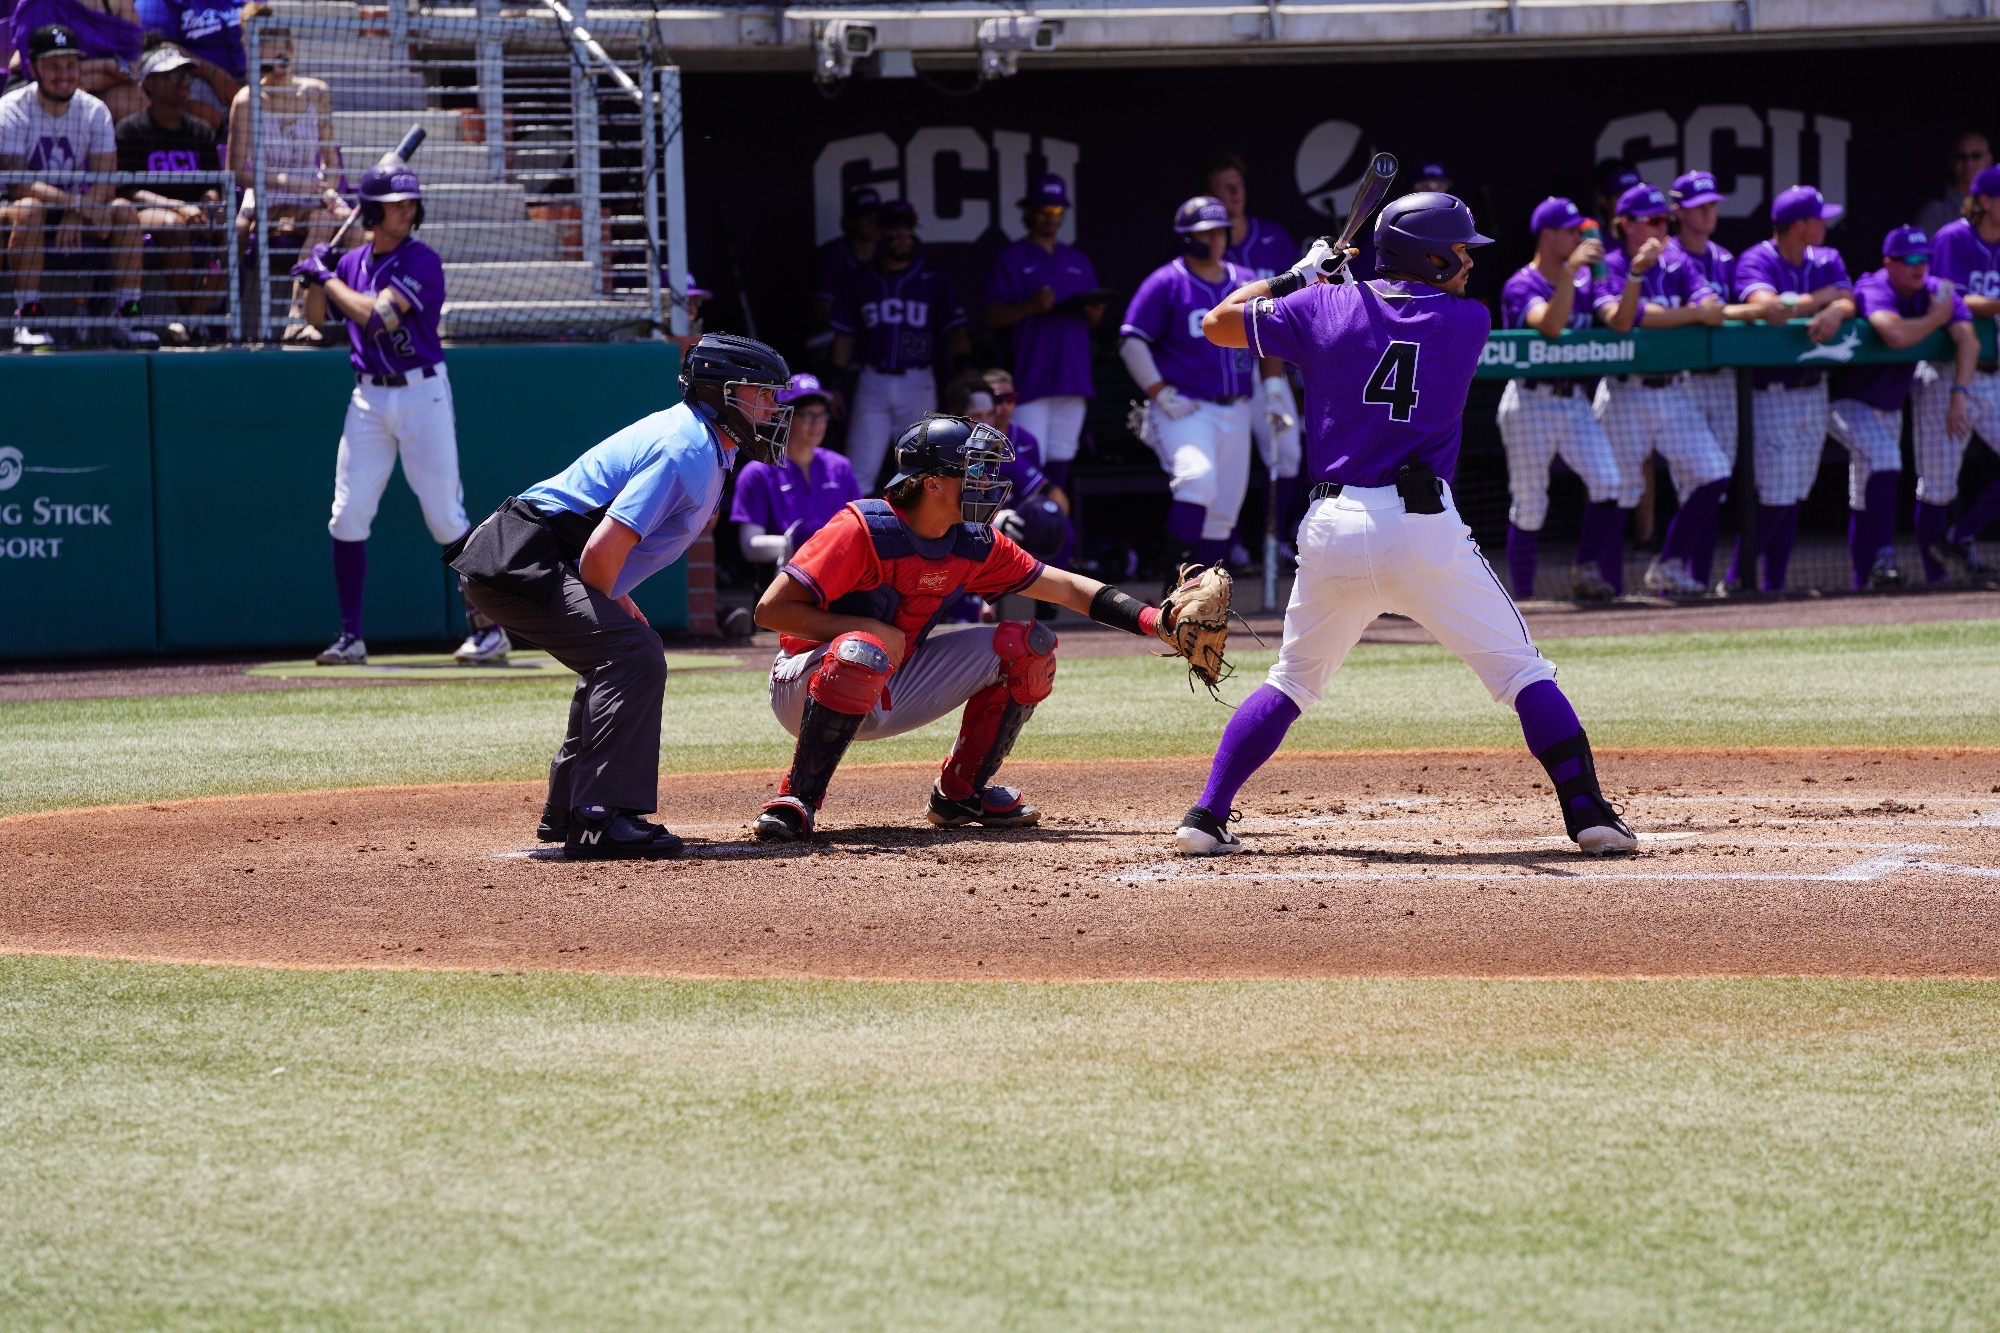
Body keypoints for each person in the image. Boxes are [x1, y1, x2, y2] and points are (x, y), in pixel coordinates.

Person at [1176, 192, 1636, 858]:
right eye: (1459, 251)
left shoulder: (1321, 304)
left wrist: (1300, 277)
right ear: (1430, 256)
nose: (1469, 263)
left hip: (1332, 526)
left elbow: (1218, 322)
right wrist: (1331, 287)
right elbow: (1392, 313)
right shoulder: (1467, 321)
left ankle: (1206, 814)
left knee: (1293, 680)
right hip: (1421, 528)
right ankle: (1588, 811)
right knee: (1521, 672)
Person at [748, 413, 1200, 842]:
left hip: (891, 678)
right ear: (933, 484)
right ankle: (796, 798)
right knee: (862, 648)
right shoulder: (862, 529)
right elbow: (770, 611)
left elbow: (1066, 588)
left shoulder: (973, 542)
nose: (986, 482)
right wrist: (863, 625)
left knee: (1028, 646)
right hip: (806, 680)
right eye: (973, 470)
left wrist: (1155, 622)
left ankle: (960, 795)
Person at [451, 334, 795, 860]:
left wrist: (620, 606)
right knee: (631, 654)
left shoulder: (706, 445)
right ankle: (600, 817)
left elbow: (599, 559)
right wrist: (618, 609)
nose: (773, 407)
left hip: (533, 557)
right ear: (722, 394)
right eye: (761, 393)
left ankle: (572, 808)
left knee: (622, 648)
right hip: (520, 559)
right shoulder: (686, 449)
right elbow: (599, 553)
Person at [291, 158, 506, 668]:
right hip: (367, 397)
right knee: (347, 514)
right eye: (394, 205)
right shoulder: (350, 265)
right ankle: (350, 638)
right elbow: (316, 320)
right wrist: (315, 276)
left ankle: (489, 629)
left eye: (410, 203)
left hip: (421, 395)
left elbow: (377, 317)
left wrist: (326, 273)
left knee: (444, 517)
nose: (406, 212)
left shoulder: (422, 261)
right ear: (371, 210)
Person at [1590, 181, 1732, 597]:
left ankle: (1669, 562)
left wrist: (1659, 314)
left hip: (1673, 390)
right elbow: (1621, 320)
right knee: (1619, 490)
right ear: (1624, 225)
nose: (1659, 228)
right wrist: (1638, 278)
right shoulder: (1609, 266)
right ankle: (1611, 589)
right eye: (1650, 220)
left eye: (1663, 220)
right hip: (1624, 393)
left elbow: (1713, 311)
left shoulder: (1678, 265)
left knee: (1714, 473)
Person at [1120, 195, 1266, 569]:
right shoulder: (1167, 281)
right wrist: (1158, 391)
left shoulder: (1245, 281)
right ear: (1186, 236)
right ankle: (1172, 587)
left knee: (1224, 511)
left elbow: (1272, 331)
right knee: (1196, 479)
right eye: (1205, 232)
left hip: (1237, 407)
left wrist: (1276, 391)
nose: (1215, 239)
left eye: (1220, 231)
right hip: (1184, 406)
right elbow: (1131, 340)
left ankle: (1202, 600)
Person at [1829, 225, 1976, 590]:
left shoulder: (1936, 289)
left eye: (1924, 259)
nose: (1919, 267)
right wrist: (1936, 320)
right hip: (1845, 400)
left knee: (1864, 493)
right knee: (1885, 459)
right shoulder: (1874, 286)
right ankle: (1883, 557)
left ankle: (1862, 583)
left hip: (1889, 405)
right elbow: (1893, 334)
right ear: (1889, 262)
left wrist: (1959, 392)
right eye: (1909, 259)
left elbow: (1968, 340)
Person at [1727, 185, 1857, 594]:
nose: (1826, 224)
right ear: (1800, 226)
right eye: (1820, 218)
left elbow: (1849, 298)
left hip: (1813, 387)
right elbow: (1773, 310)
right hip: (1771, 392)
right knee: (1776, 495)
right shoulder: (1756, 258)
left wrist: (1837, 307)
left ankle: (1775, 584)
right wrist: (1823, 298)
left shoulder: (1827, 257)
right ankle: (1737, 579)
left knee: (1797, 490)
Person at [1493, 196, 1622, 601]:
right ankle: (1526, 602)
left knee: (1608, 482)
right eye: (1571, 231)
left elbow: (1612, 317)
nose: (1579, 237)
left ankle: (1584, 568)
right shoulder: (1522, 283)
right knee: (1531, 504)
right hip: (1530, 401)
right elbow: (1549, 324)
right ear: (1548, 236)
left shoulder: (1585, 282)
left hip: (1573, 401)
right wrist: (1570, 272)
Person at [0, 23, 156, 348]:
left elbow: (106, 180)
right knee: (30, 209)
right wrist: (76, 205)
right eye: (53, 66)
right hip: (17, 210)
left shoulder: (94, 110)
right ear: (33, 68)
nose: (64, 74)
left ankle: (128, 315)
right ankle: (28, 316)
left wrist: (78, 211)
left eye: (70, 64)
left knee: (125, 213)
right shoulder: (11, 109)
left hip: (77, 208)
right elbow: (16, 183)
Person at [828, 198, 970, 492]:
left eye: (908, 231)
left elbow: (956, 332)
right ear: (881, 233)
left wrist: (963, 374)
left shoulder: (932, 278)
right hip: (873, 380)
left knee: (922, 467)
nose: (903, 238)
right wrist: (837, 384)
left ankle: (919, 536)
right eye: (896, 232)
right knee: (858, 471)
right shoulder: (861, 281)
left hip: (918, 380)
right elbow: (845, 337)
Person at [981, 171, 1102, 493]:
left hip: (1072, 377)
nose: (1051, 217)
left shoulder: (1077, 259)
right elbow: (989, 315)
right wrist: (1029, 306)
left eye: (1058, 211)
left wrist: (1093, 315)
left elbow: (1092, 322)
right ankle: (1023, 538)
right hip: (1030, 379)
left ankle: (1055, 538)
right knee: (1026, 467)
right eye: (1044, 210)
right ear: (1029, 211)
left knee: (1061, 462)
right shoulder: (1012, 257)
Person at [1203, 151, 1304, 530]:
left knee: (1289, 451)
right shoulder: (1205, 248)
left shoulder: (1274, 238)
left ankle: (1277, 536)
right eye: (1224, 187)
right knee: (1226, 463)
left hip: (1268, 366)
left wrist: (1277, 385)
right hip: (1220, 369)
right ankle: (1235, 544)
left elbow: (1299, 301)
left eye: (1238, 185)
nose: (1234, 192)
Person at [226, 24, 345, 341]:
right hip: (269, 198)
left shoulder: (317, 92)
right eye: (265, 62)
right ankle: (302, 317)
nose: (276, 68)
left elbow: (331, 161)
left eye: (281, 58)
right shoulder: (245, 101)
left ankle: (344, 317)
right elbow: (236, 171)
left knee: (353, 224)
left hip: (313, 196)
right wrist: (287, 182)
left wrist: (330, 189)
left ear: (291, 52)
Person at [1914, 167, 2000, 584]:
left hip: (1993, 374)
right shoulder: (1953, 237)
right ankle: (1935, 584)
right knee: (1937, 484)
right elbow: (1947, 299)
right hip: (1947, 374)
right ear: (1984, 201)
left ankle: (1960, 535)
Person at [115, 41, 222, 337]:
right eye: (174, 76)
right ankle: (195, 318)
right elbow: (126, 188)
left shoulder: (201, 131)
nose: (184, 82)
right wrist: (176, 206)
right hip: (147, 214)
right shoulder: (130, 130)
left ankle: (191, 318)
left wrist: (209, 203)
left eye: (187, 76)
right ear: (150, 83)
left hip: (194, 214)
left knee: (234, 229)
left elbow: (214, 185)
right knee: (173, 225)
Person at [946, 371, 1073, 616]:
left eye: (988, 415)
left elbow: (1053, 494)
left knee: (1051, 521)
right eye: (976, 417)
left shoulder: (996, 448)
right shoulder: (940, 448)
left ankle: (1050, 598)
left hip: (988, 533)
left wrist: (1044, 524)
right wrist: (990, 520)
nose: (985, 423)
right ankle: (962, 609)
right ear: (957, 418)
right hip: (941, 534)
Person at [1668, 169, 1743, 535]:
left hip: (1723, 378)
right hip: (1684, 380)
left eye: (1712, 205)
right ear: (1679, 211)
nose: (1707, 213)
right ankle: (1681, 571)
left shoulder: (1725, 259)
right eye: (1698, 207)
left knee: (1718, 481)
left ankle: (1694, 573)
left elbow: (1726, 312)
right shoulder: (1667, 258)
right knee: (1693, 482)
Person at [730, 371, 860, 578]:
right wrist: (804, 544)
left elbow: (859, 532)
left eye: (822, 415)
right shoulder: (758, 473)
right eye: (808, 415)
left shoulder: (840, 467)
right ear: (783, 417)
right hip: (783, 581)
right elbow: (749, 545)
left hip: (839, 579)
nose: (817, 423)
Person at [8, 0, 145, 121]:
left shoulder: (118, 3)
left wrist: (109, 70)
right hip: (40, 85)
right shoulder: (38, 4)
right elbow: (38, 71)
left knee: (138, 99)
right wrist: (107, 66)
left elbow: (134, 61)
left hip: (101, 82)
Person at [132, 0, 242, 131]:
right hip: (193, 76)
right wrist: (212, 73)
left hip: (250, 77)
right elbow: (155, 47)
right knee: (203, 116)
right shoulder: (157, 4)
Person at [807, 183, 879, 368]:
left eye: (877, 214)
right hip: (841, 338)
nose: (874, 220)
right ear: (850, 221)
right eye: (865, 215)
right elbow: (822, 309)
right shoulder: (833, 254)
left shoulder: (889, 255)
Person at [1916, 131, 1993, 240]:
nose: (1968, 163)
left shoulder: (1995, 205)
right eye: (1961, 157)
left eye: (1976, 156)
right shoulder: (1936, 212)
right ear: (1952, 161)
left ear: (1989, 159)